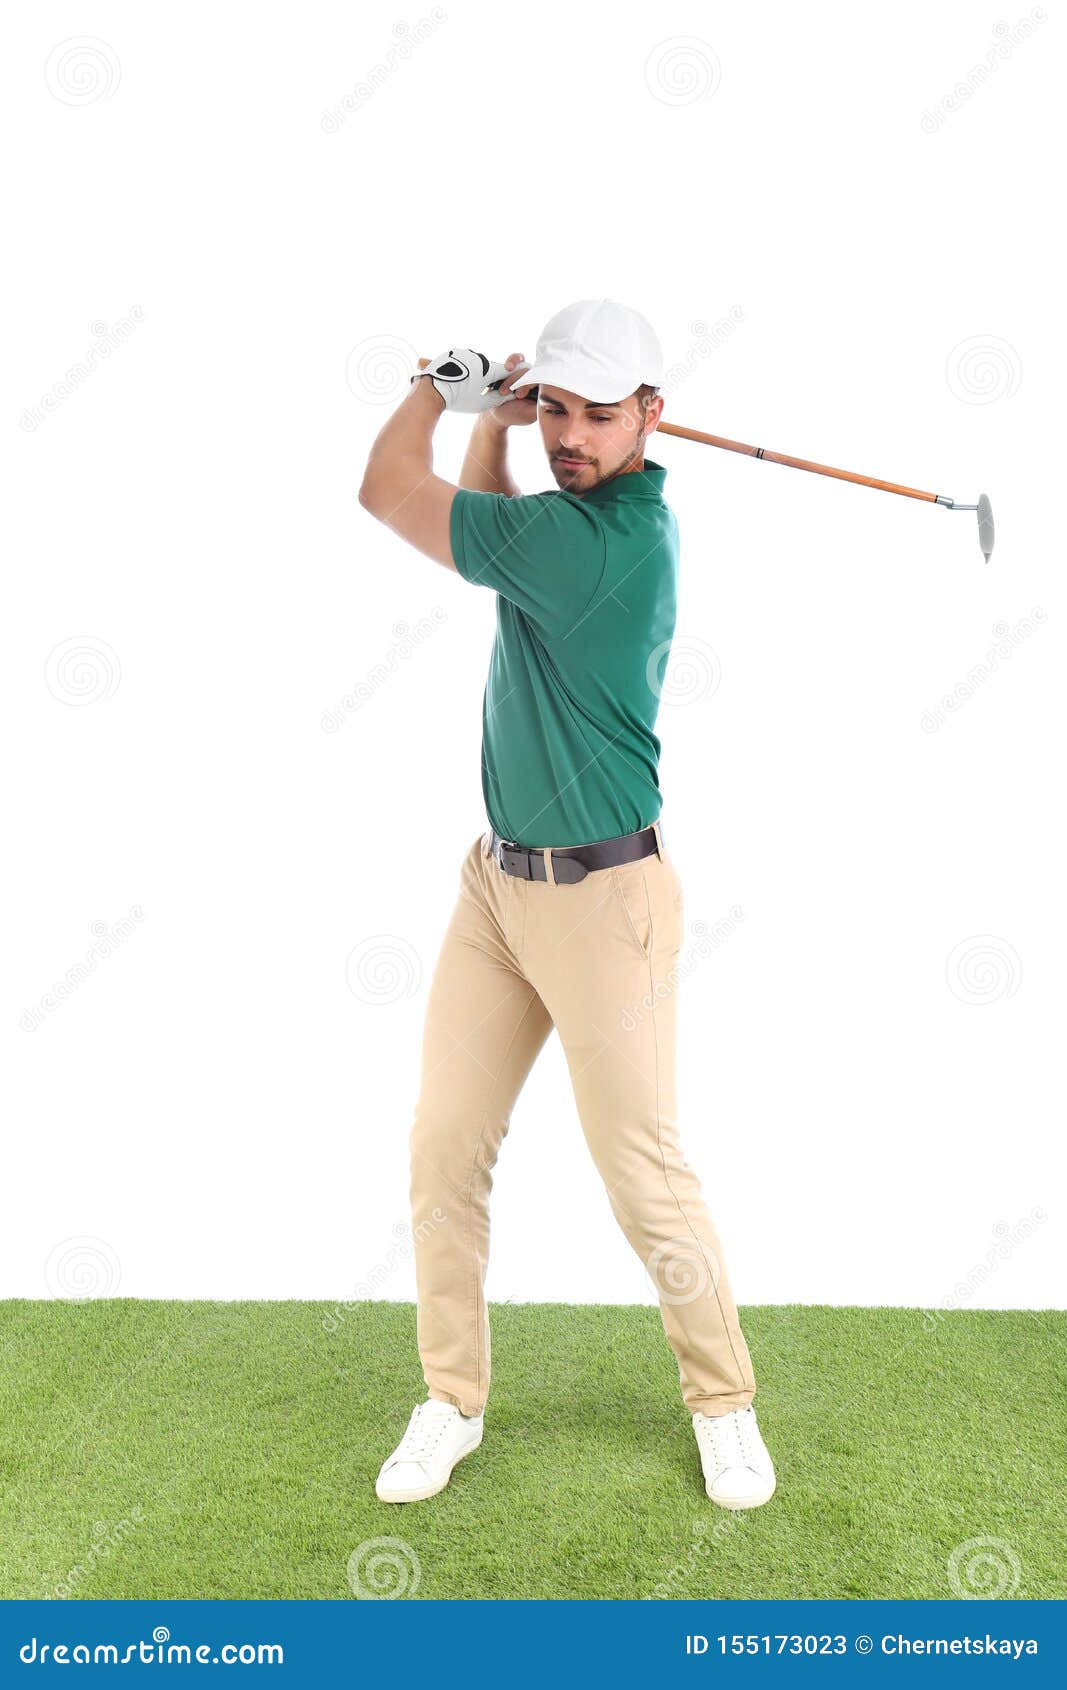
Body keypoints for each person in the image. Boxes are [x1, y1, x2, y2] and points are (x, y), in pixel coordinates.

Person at [358, 298, 776, 1511]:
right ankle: (449, 1397)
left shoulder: (603, 544)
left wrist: (434, 399)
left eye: (601, 413)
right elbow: (490, 512)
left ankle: (723, 1402)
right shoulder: (562, 521)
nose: (570, 435)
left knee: (639, 1170)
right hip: (495, 892)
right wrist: (494, 415)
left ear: (654, 415)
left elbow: (389, 489)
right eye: (555, 408)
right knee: (443, 1145)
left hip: (607, 905)